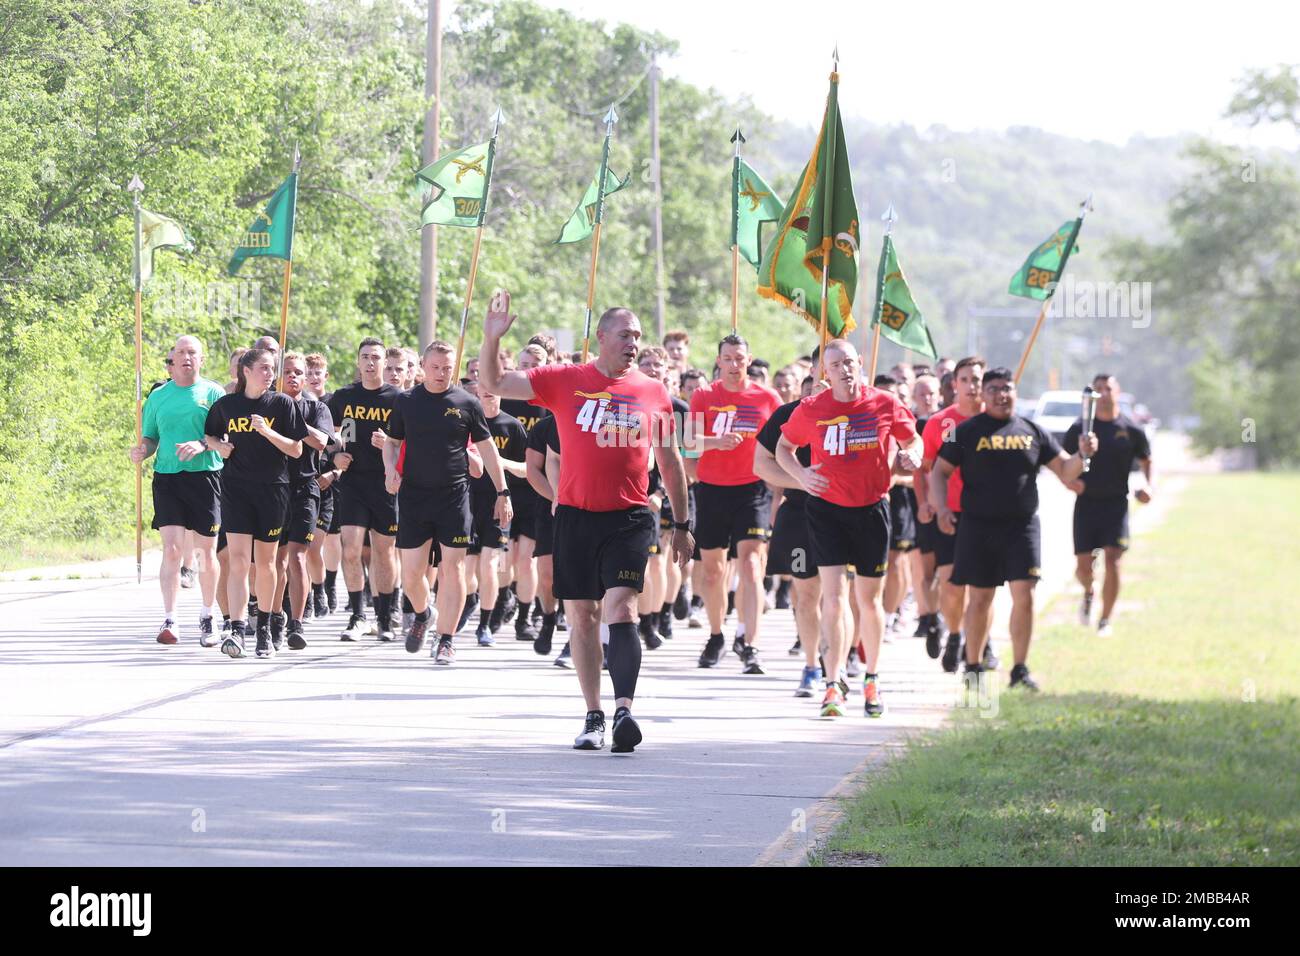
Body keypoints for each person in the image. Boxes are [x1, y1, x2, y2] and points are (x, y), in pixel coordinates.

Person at [481, 295, 692, 754]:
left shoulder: (653, 392)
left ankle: (624, 710)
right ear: (601, 338)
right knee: (582, 616)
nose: (633, 344)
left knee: (622, 610)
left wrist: (682, 521)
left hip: (631, 517)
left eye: (638, 336)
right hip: (574, 516)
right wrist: (492, 336)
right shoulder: (564, 381)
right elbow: (494, 380)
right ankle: (594, 713)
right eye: (625, 335)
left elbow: (671, 462)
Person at [776, 339, 921, 718]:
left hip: (872, 508)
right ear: (825, 372)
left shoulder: (884, 402)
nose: (844, 369)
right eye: (836, 364)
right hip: (826, 509)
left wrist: (913, 456)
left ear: (861, 364)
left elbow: (913, 438)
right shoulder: (813, 408)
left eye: (850, 362)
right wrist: (802, 476)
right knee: (834, 597)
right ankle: (833, 682)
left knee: (868, 599)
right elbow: (782, 449)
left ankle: (871, 677)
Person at [932, 367, 1095, 690]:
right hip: (977, 527)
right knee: (980, 599)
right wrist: (941, 509)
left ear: (1014, 392)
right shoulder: (965, 432)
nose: (1000, 395)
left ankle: (1019, 669)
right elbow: (939, 472)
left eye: (1006, 388)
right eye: (993, 389)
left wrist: (1083, 454)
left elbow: (1065, 469)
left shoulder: (1033, 430)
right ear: (983, 393)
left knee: (1025, 596)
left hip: (1021, 528)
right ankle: (974, 666)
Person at [384, 341, 510, 664]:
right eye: (436, 367)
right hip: (414, 496)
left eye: (447, 368)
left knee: (452, 568)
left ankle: (446, 639)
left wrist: (502, 491)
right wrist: (389, 470)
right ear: (423, 366)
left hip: (454, 497)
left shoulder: (467, 403)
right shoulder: (406, 401)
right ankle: (424, 614)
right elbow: (393, 443)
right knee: (412, 575)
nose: (442, 373)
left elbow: (487, 449)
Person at [202, 348, 306, 658]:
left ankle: (265, 628)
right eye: (263, 368)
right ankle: (236, 628)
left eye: (272, 368)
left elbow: (297, 450)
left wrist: (268, 431)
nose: (270, 373)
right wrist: (220, 446)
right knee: (236, 560)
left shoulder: (282, 404)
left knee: (266, 562)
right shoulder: (226, 405)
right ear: (245, 371)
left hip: (273, 490)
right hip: (235, 489)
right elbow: (210, 436)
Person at [688, 333, 781, 674]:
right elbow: (689, 441)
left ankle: (751, 644)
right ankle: (716, 636)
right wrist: (717, 442)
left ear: (749, 359)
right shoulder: (703, 395)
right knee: (713, 572)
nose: (733, 365)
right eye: (727, 358)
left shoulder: (766, 397)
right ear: (718, 361)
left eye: (739, 359)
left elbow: (778, 445)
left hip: (752, 489)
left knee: (752, 565)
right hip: (711, 489)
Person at [129, 335, 225, 646]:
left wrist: (200, 445)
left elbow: (225, 442)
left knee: (205, 552)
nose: (186, 357)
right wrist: (142, 450)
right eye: (181, 352)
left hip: (206, 476)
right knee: (171, 549)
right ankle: (170, 618)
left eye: (192, 352)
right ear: (172, 359)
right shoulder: (157, 397)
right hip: (168, 477)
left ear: (201, 359)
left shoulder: (214, 393)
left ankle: (208, 614)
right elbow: (151, 438)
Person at [1063, 374, 1153, 637]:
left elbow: (1147, 460)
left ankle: (1105, 620)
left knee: (1113, 560)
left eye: (1108, 388)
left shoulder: (1130, 429)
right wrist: (1070, 484)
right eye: (1098, 389)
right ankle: (1089, 592)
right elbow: (1060, 463)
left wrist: (1149, 486)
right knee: (1083, 567)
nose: (1103, 393)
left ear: (1118, 391)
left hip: (1116, 504)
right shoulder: (1081, 428)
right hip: (1086, 504)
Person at [756, 373, 827, 697]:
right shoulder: (787, 415)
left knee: (842, 597)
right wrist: (804, 481)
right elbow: (762, 465)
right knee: (807, 594)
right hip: (800, 513)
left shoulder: (860, 410)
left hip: (852, 514)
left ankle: (841, 660)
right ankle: (812, 666)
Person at [328, 338, 401, 642]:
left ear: (385, 363)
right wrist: (335, 455)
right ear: (357, 362)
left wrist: (391, 446)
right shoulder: (343, 397)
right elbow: (331, 435)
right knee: (351, 549)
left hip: (386, 483)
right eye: (365, 357)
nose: (370, 363)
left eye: (376, 358)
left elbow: (413, 443)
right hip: (354, 481)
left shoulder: (399, 399)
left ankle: (384, 617)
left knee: (384, 552)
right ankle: (357, 615)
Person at [920, 356, 986, 672]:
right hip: (950, 512)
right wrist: (927, 502)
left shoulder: (997, 421)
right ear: (954, 385)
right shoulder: (939, 423)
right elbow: (925, 469)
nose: (972, 386)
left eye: (977, 379)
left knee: (982, 588)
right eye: (965, 380)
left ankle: (982, 644)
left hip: (987, 515)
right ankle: (955, 633)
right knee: (950, 584)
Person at [270, 353, 334, 650]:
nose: (293, 377)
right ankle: (274, 616)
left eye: (298, 373)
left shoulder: (316, 407)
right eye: (287, 372)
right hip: (272, 488)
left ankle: (296, 622)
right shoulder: (267, 406)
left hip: (306, 487)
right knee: (276, 560)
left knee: (297, 556)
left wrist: (293, 418)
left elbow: (322, 442)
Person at [463, 384, 528, 647]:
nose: (488, 392)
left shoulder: (511, 426)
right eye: (483, 388)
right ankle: (470, 600)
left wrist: (499, 462)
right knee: (466, 567)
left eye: (494, 387)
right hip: (466, 500)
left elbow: (527, 469)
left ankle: (485, 624)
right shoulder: (466, 420)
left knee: (489, 563)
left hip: (498, 502)